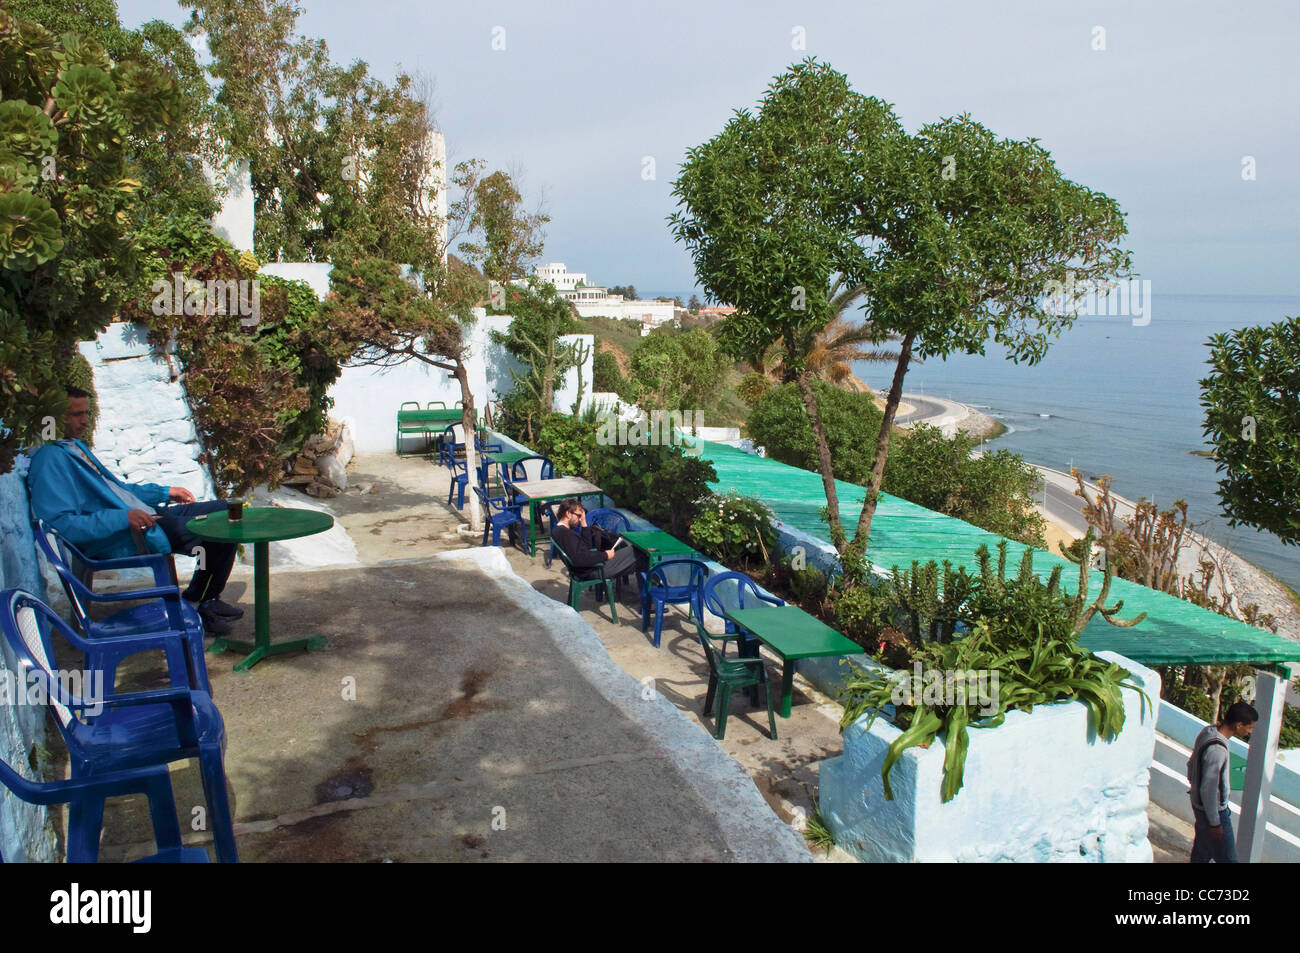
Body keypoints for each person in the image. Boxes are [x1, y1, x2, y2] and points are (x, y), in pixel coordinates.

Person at [26, 385, 242, 635]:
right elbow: (62, 523)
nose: (85, 421)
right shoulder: (49, 460)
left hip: (147, 514)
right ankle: (194, 604)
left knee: (226, 511)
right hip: (128, 532)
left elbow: (117, 490)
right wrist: (122, 517)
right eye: (77, 415)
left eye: (86, 413)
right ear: (53, 416)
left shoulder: (73, 447)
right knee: (215, 531)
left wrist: (164, 492)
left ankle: (208, 599)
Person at [1187, 700, 1258, 863]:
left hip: (1200, 807)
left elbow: (1191, 765)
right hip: (1213, 814)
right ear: (1239, 725)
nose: (1250, 731)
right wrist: (1215, 823)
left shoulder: (1207, 732)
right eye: (1250, 727)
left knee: (1201, 854)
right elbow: (1209, 790)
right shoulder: (1218, 750)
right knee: (1228, 858)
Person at [549, 499, 642, 584]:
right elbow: (579, 559)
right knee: (637, 552)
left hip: (585, 569)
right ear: (568, 514)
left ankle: (647, 588)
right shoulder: (566, 534)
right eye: (579, 515)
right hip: (593, 570)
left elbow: (586, 547)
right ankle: (648, 594)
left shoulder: (558, 531)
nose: (580, 518)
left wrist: (584, 524)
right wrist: (605, 555)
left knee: (637, 562)